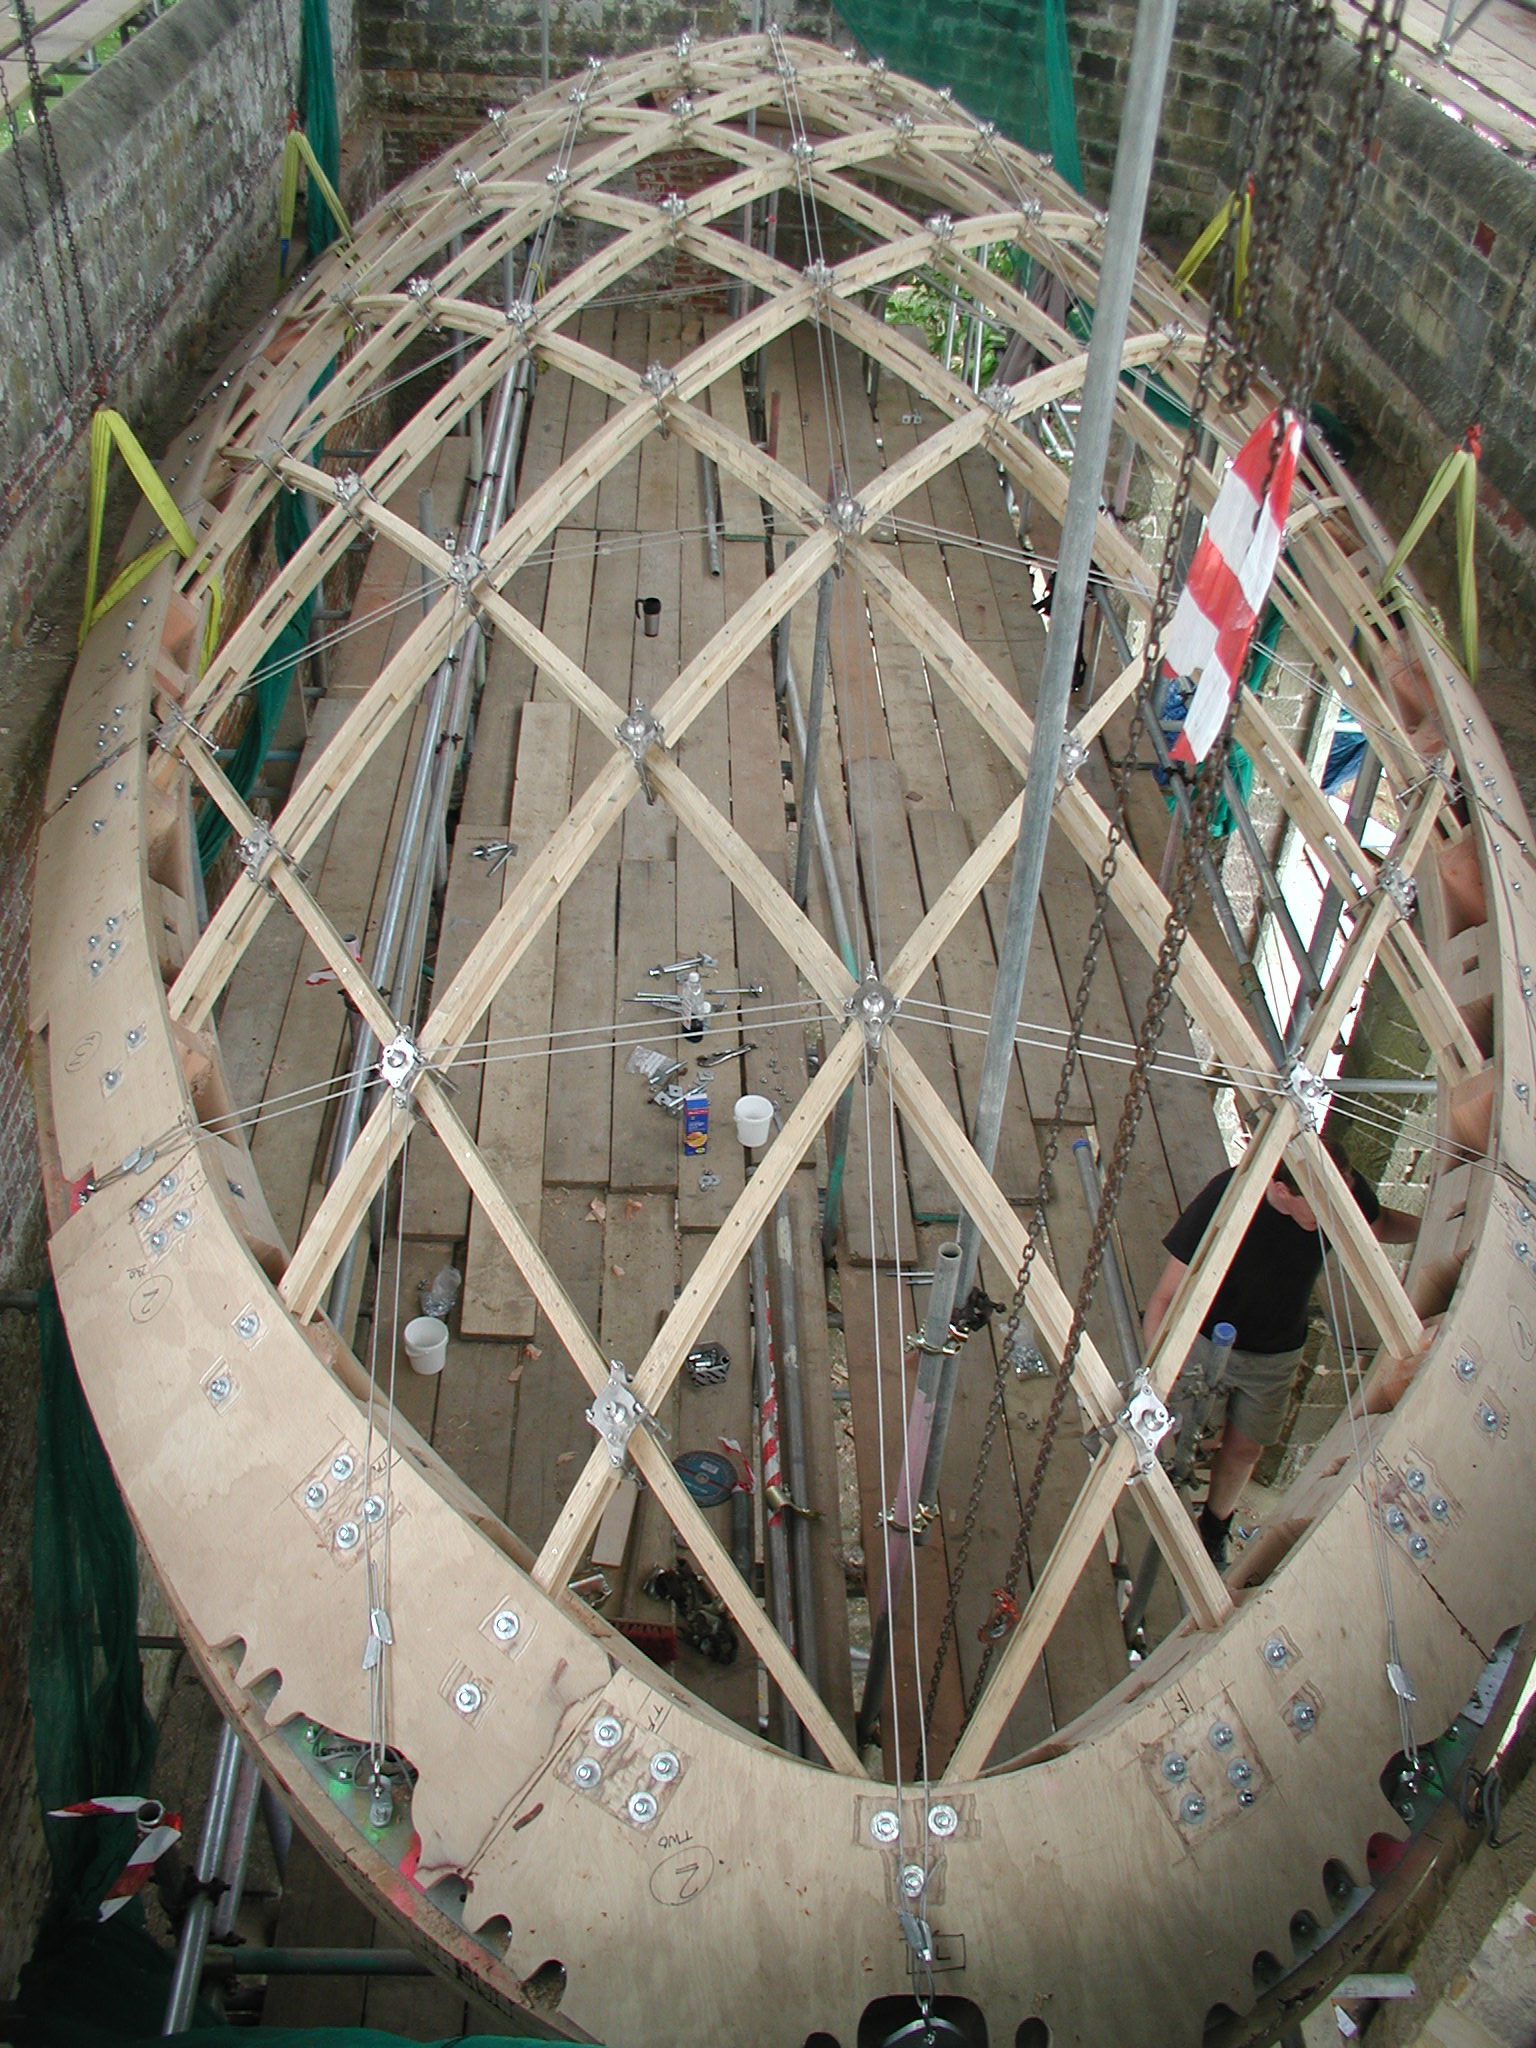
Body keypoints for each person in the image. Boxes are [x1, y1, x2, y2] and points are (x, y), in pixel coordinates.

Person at [1141, 1141, 1418, 1570]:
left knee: (1246, 1448)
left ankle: (1215, 1526)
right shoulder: (1228, 1196)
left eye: (1340, 1198)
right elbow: (1164, 1296)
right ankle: (1160, 1510)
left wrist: (1435, 1224)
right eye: (1317, 1208)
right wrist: (1158, 1368)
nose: (1331, 1215)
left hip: (1275, 1350)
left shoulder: (1339, 1193)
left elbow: (1377, 1227)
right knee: (1175, 1428)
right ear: (1282, 1190)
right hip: (1202, 1337)